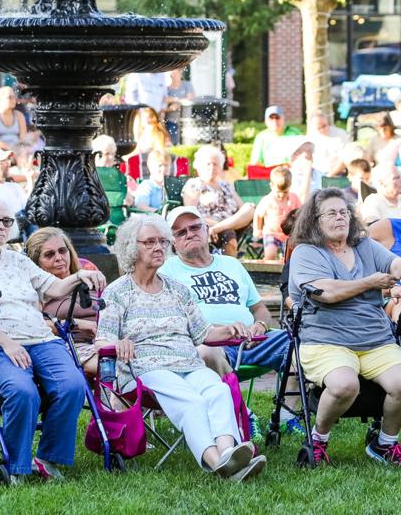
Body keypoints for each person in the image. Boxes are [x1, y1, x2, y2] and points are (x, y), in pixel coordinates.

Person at [0, 193, 106, 482]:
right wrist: (7, 344)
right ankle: (16, 465)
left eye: (6, 221)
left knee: (72, 384)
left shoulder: (17, 261)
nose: (1, 226)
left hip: (40, 338)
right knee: (22, 391)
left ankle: (46, 460)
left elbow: (55, 288)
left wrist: (80, 275)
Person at [97, 214, 267, 481]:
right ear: (132, 247)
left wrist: (230, 329)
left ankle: (229, 453)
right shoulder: (117, 291)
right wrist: (119, 343)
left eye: (163, 241)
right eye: (149, 242)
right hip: (144, 368)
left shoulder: (177, 289)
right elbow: (102, 340)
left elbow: (204, 333)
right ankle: (216, 463)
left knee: (218, 390)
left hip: (187, 363)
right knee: (192, 402)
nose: (158, 247)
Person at [287, 188, 401, 467]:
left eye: (344, 212)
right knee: (344, 384)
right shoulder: (306, 253)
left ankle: (384, 444)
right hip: (325, 341)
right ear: (315, 220)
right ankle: (319, 440)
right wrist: (369, 282)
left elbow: (395, 262)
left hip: (375, 339)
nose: (340, 218)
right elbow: (327, 293)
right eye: (332, 213)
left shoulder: (365, 246)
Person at [162, 205, 292, 375]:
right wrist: (221, 331)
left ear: (206, 229)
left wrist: (260, 325)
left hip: (254, 342)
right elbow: (173, 320)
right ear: (173, 242)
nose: (190, 234)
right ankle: (233, 400)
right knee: (204, 353)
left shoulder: (231, 264)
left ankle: (300, 401)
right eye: (181, 232)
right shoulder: (167, 271)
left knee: (299, 342)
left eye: (194, 227)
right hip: (210, 345)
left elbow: (259, 309)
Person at [26, 227, 101, 370]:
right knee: (115, 367)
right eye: (49, 255)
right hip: (74, 346)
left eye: (62, 251)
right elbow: (34, 324)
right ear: (36, 262)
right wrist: (76, 323)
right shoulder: (35, 291)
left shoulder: (88, 275)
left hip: (108, 339)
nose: (59, 258)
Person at [182, 144, 254, 257]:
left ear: (220, 167)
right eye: (208, 163)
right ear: (198, 166)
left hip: (233, 225)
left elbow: (243, 207)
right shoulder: (194, 184)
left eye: (215, 164)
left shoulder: (225, 185)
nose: (212, 167)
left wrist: (229, 223)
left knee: (250, 207)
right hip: (209, 224)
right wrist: (219, 225)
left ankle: (218, 229)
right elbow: (190, 213)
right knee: (229, 237)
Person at [254, 165, 300, 260]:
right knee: (270, 254)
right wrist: (257, 229)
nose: (281, 195)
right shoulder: (267, 200)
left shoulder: (294, 198)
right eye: (278, 191)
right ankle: (266, 271)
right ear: (271, 186)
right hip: (271, 233)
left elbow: (300, 214)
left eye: (285, 192)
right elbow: (258, 215)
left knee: (289, 258)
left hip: (288, 235)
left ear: (290, 186)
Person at [0, 86, 29, 151]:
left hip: (18, 150)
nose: (13, 100)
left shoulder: (19, 115)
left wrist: (19, 150)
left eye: (14, 97)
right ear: (0, 99)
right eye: (10, 97)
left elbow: (23, 138)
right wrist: (11, 149)